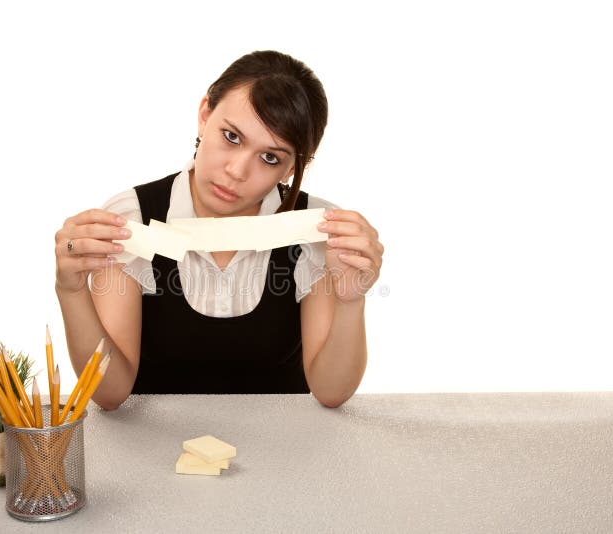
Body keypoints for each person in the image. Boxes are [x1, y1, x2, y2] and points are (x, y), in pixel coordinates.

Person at [54, 50, 384, 409]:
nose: (237, 171)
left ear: (292, 168)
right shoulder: (132, 217)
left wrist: (350, 300)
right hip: (158, 442)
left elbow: (331, 391)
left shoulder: (316, 230)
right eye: (231, 136)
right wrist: (71, 291)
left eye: (270, 157)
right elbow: (109, 393)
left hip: (282, 440)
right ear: (204, 115)